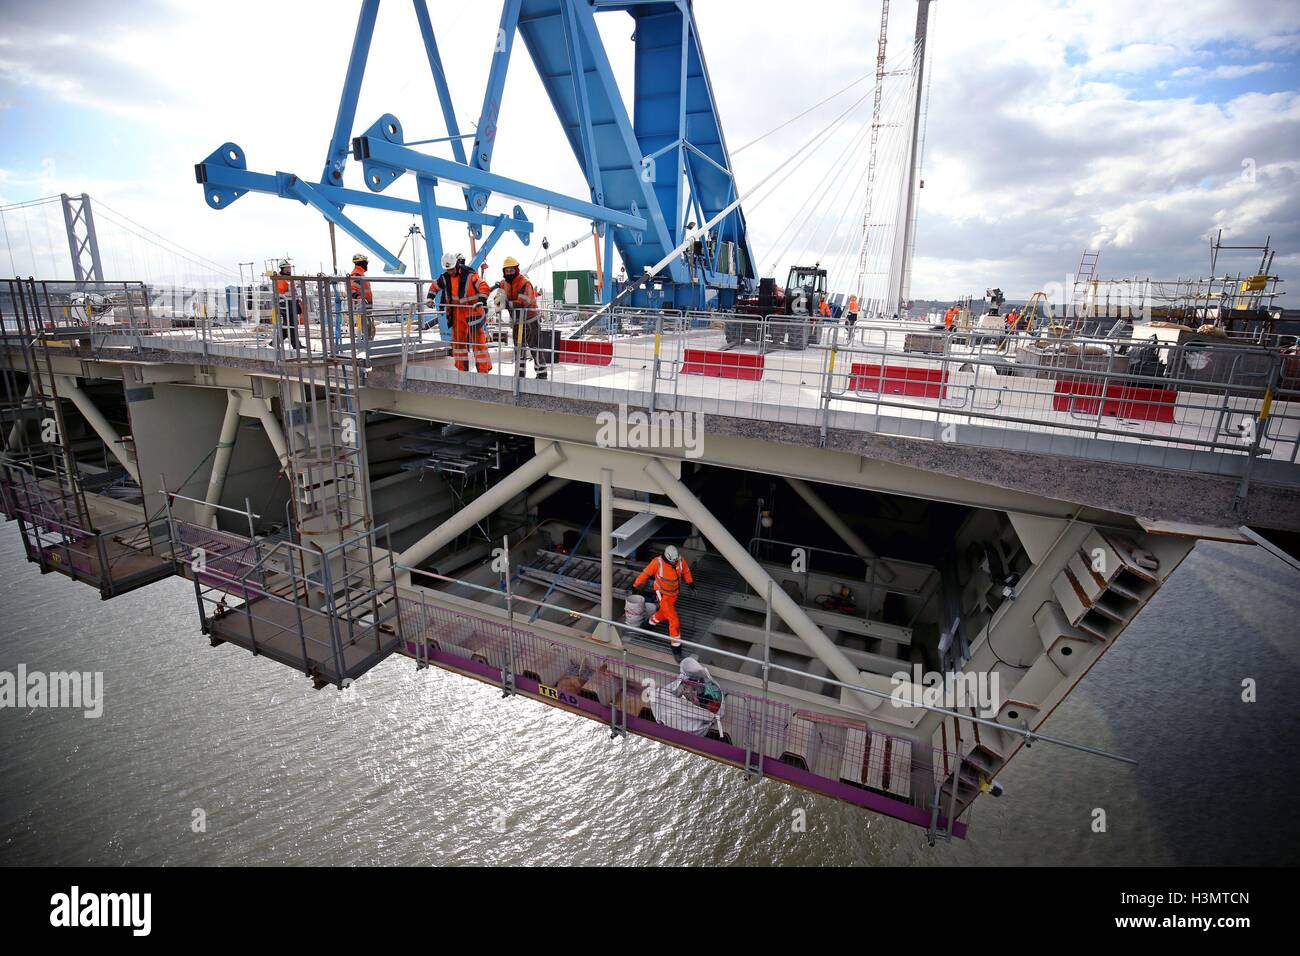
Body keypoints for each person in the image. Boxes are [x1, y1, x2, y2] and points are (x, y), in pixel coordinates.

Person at [634, 544, 694, 658]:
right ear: (667, 557)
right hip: (662, 595)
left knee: (663, 614)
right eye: (673, 561)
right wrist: (635, 585)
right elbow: (645, 573)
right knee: (674, 620)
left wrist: (691, 583)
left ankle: (647, 625)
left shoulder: (680, 561)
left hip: (673, 595)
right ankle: (676, 649)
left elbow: (685, 571)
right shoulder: (657, 563)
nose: (675, 563)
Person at [438, 253, 492, 373]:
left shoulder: (470, 275)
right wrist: (430, 297)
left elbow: (484, 286)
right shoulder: (446, 277)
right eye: (448, 269)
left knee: (478, 342)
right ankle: (462, 369)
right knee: (458, 343)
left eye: (452, 269)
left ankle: (483, 370)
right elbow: (436, 286)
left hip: (473, 311)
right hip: (457, 312)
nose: (450, 271)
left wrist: (481, 301)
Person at [497, 255, 548, 379]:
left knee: (535, 348)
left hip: (530, 321)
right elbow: (499, 296)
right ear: (504, 272)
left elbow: (523, 302)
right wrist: (498, 301)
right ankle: (519, 374)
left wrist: (506, 304)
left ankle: (541, 374)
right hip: (517, 322)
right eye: (507, 271)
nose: (509, 273)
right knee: (518, 349)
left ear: (516, 270)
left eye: (511, 270)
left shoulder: (525, 283)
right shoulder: (504, 283)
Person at [273, 260, 302, 351]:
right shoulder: (280, 278)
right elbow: (282, 291)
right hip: (285, 303)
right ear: (282, 268)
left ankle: (277, 342)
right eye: (287, 268)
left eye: (289, 267)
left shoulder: (289, 278)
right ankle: (295, 344)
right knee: (290, 323)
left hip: (292, 302)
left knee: (290, 324)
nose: (289, 269)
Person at [348, 253, 376, 342]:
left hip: (366, 306)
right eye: (366, 263)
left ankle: (368, 342)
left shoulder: (360, 275)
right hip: (363, 306)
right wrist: (360, 299)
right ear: (362, 263)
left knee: (369, 326)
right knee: (366, 326)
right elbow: (352, 290)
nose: (367, 265)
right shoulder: (356, 275)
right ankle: (366, 344)